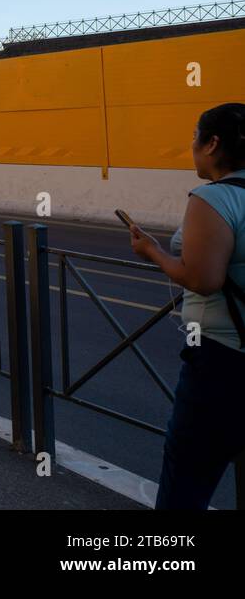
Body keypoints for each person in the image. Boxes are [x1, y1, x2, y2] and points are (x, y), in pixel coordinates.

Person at [129, 102, 245, 510]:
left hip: (223, 362)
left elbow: (202, 279)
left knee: (187, 481)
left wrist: (154, 252)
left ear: (213, 144)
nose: (192, 145)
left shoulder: (213, 198)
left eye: (196, 136)